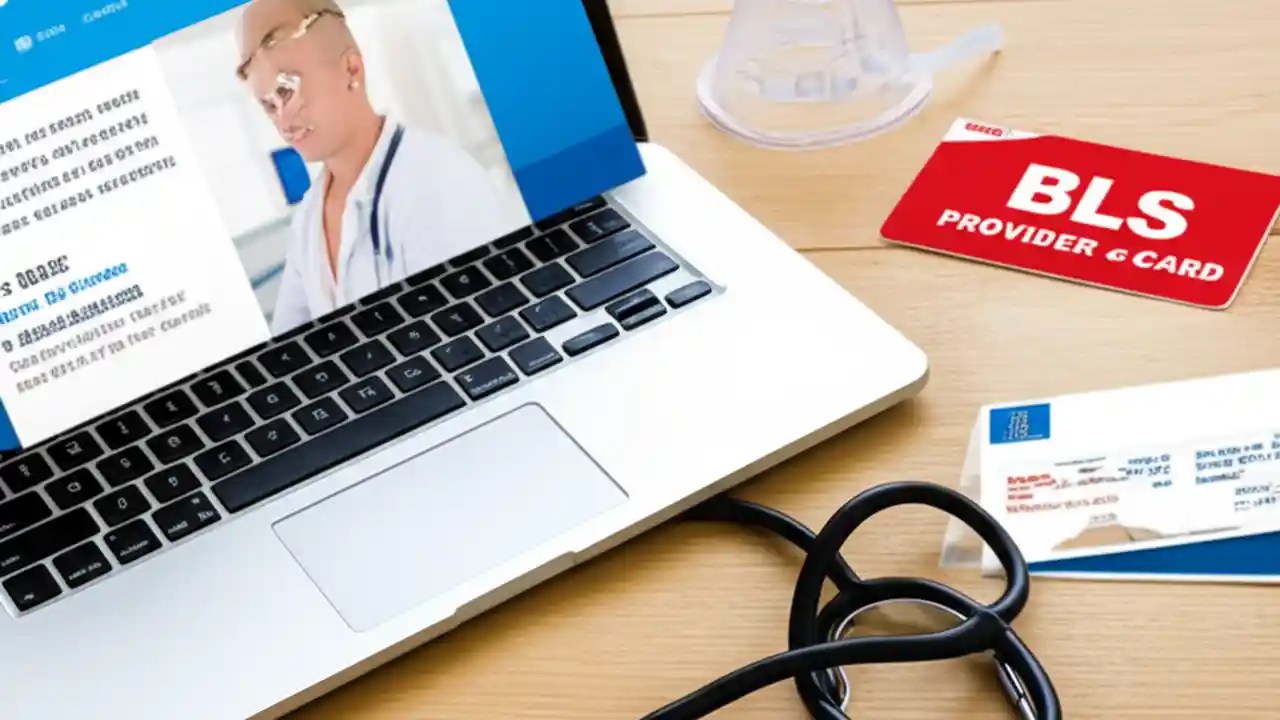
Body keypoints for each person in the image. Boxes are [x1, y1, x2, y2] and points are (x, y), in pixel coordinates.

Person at [235, 0, 513, 334]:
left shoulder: (439, 180)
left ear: (351, 70)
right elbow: (290, 341)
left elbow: (477, 330)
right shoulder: (308, 218)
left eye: (286, 91)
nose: (283, 121)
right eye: (268, 105)